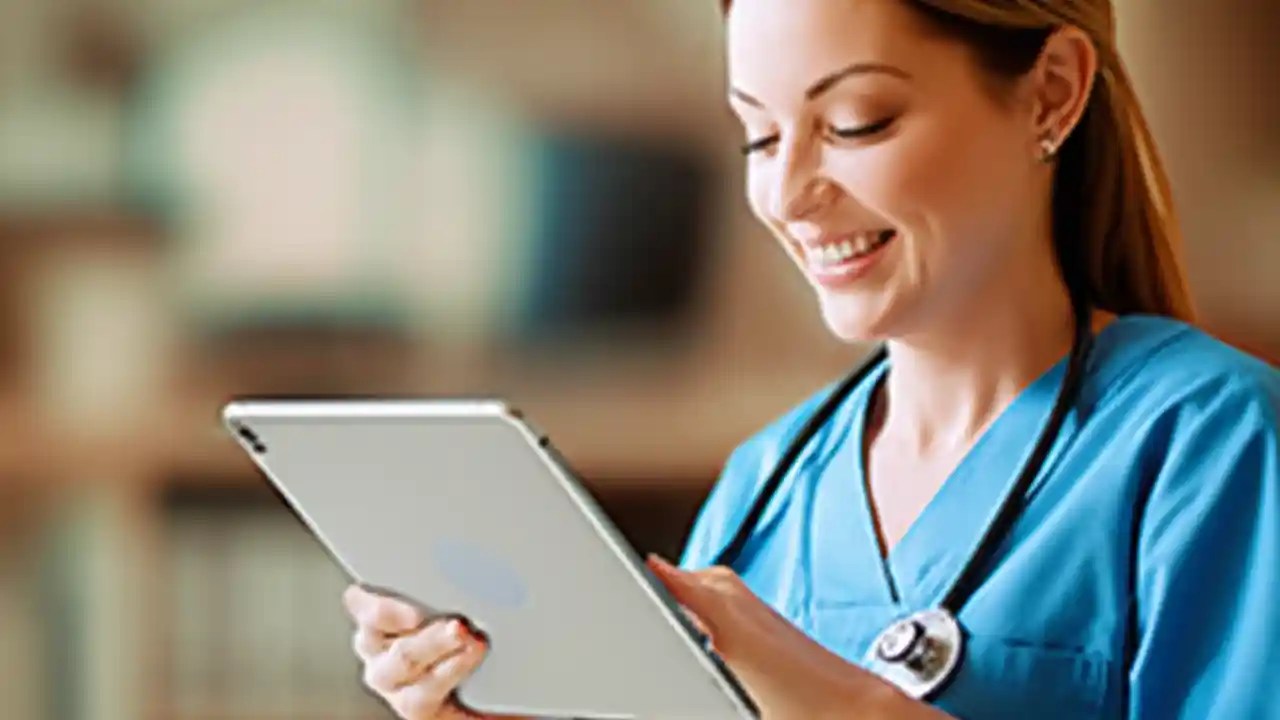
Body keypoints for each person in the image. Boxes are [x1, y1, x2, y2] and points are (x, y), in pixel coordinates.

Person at [341, 0, 1280, 717]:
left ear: (1053, 92)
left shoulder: (1211, 445)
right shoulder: (764, 490)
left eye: (857, 122)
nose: (789, 193)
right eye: (759, 134)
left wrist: (832, 693)